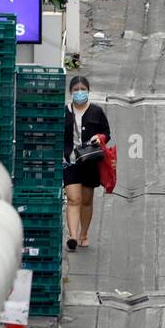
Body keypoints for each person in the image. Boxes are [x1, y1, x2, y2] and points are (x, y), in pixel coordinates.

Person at [64, 75, 111, 251]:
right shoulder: (65, 112)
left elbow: (107, 133)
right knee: (73, 198)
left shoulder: (96, 111)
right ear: (70, 92)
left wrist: (99, 138)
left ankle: (84, 234)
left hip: (90, 161)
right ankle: (73, 236)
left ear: (88, 91)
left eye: (83, 89)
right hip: (70, 162)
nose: (79, 93)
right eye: (76, 90)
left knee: (86, 200)